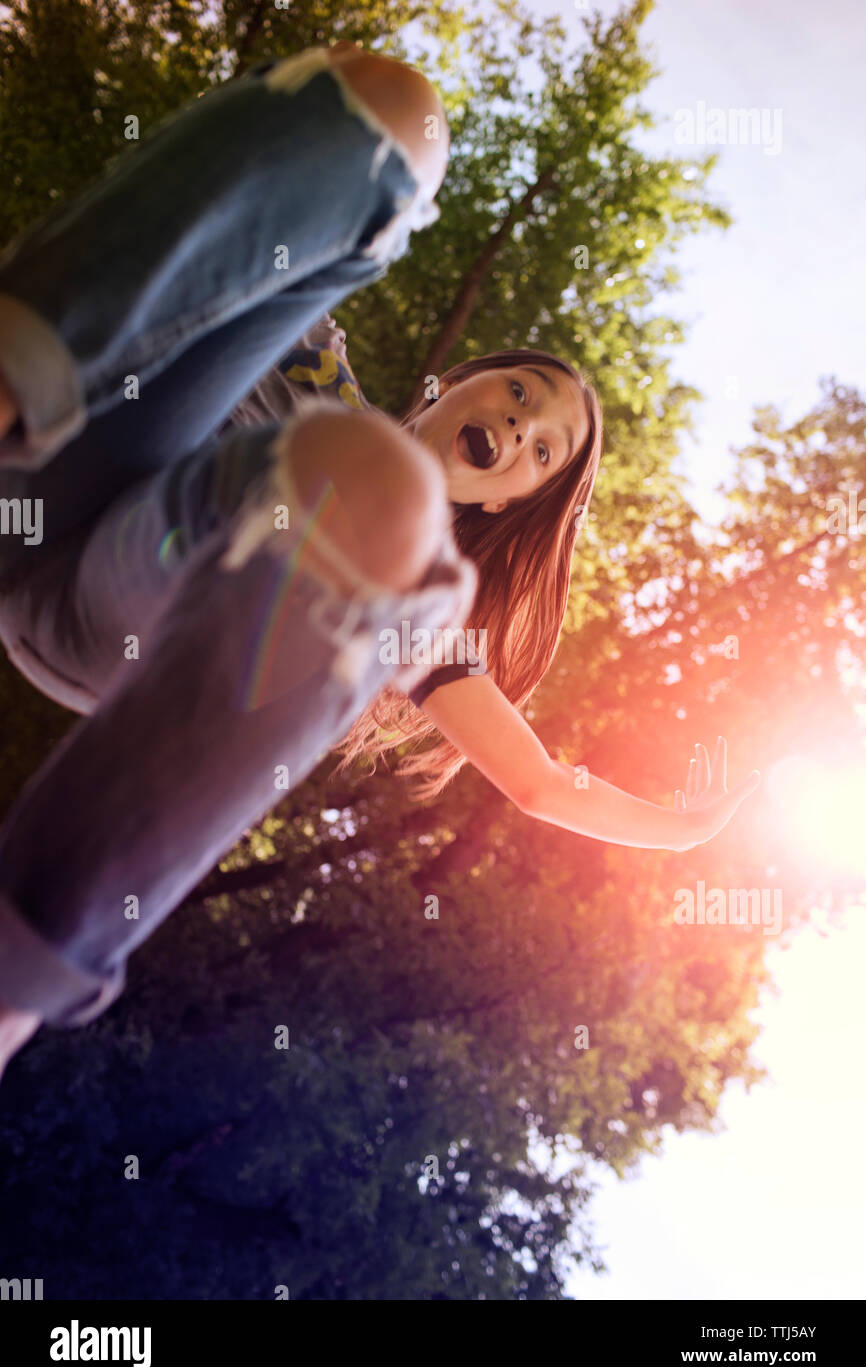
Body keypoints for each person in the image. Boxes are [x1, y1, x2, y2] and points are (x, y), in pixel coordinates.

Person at [0, 43, 760, 1081]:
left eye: (539, 456)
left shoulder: (416, 603)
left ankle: (18, 974)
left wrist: (683, 833)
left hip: (102, 606)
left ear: (501, 501)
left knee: (373, 496)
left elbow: (538, 786)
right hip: (48, 467)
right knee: (396, 116)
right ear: (454, 382)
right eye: (521, 396)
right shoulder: (317, 354)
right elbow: (235, 213)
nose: (519, 427)